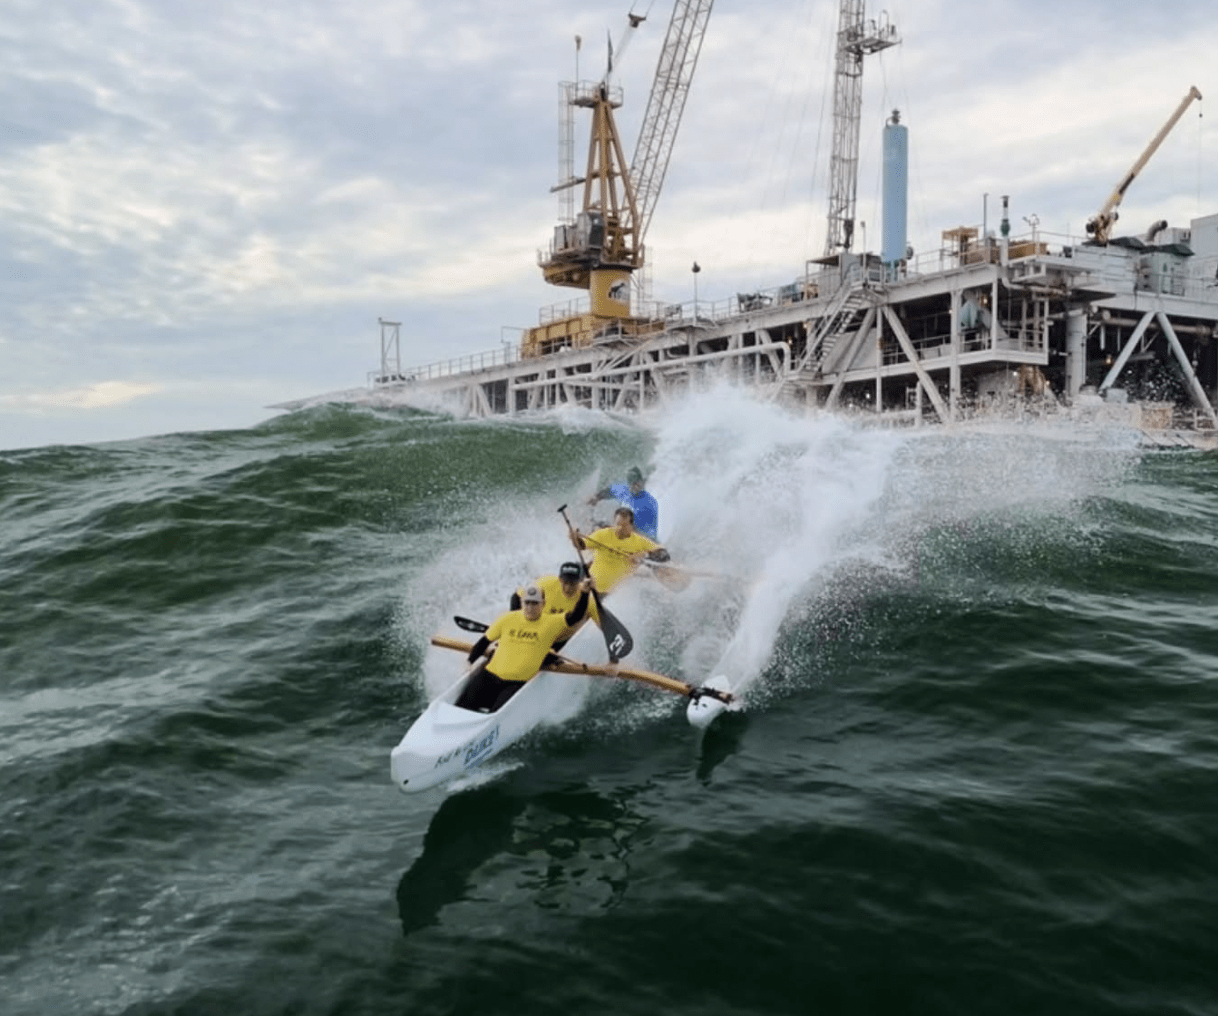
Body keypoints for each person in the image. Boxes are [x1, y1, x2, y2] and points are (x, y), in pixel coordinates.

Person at [457, 578, 593, 713]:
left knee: (495, 712)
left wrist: (585, 592)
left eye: (535, 603)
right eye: (527, 603)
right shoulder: (507, 618)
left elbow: (576, 615)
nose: (530, 608)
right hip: (489, 675)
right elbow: (483, 642)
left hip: (516, 683)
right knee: (460, 706)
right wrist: (469, 662)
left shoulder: (552, 622)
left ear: (543, 604)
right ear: (522, 603)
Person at [571, 505, 669, 595]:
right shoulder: (603, 534)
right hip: (590, 587)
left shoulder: (639, 542)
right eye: (617, 524)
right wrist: (574, 538)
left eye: (624, 526)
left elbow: (664, 555)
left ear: (631, 526)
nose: (619, 529)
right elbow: (581, 545)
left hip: (612, 596)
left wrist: (643, 555)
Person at [509, 561, 601, 651]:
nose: (568, 588)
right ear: (559, 579)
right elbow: (517, 596)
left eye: (572, 584)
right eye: (565, 582)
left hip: (557, 641)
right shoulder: (545, 583)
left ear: (580, 582)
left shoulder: (588, 600)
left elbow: (604, 627)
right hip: (536, 632)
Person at [587, 466, 659, 540]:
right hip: (623, 533)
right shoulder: (624, 490)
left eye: (637, 482)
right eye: (632, 483)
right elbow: (609, 491)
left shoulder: (649, 504)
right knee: (599, 525)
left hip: (641, 541)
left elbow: (648, 535)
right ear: (629, 484)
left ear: (642, 482)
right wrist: (596, 498)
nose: (635, 486)